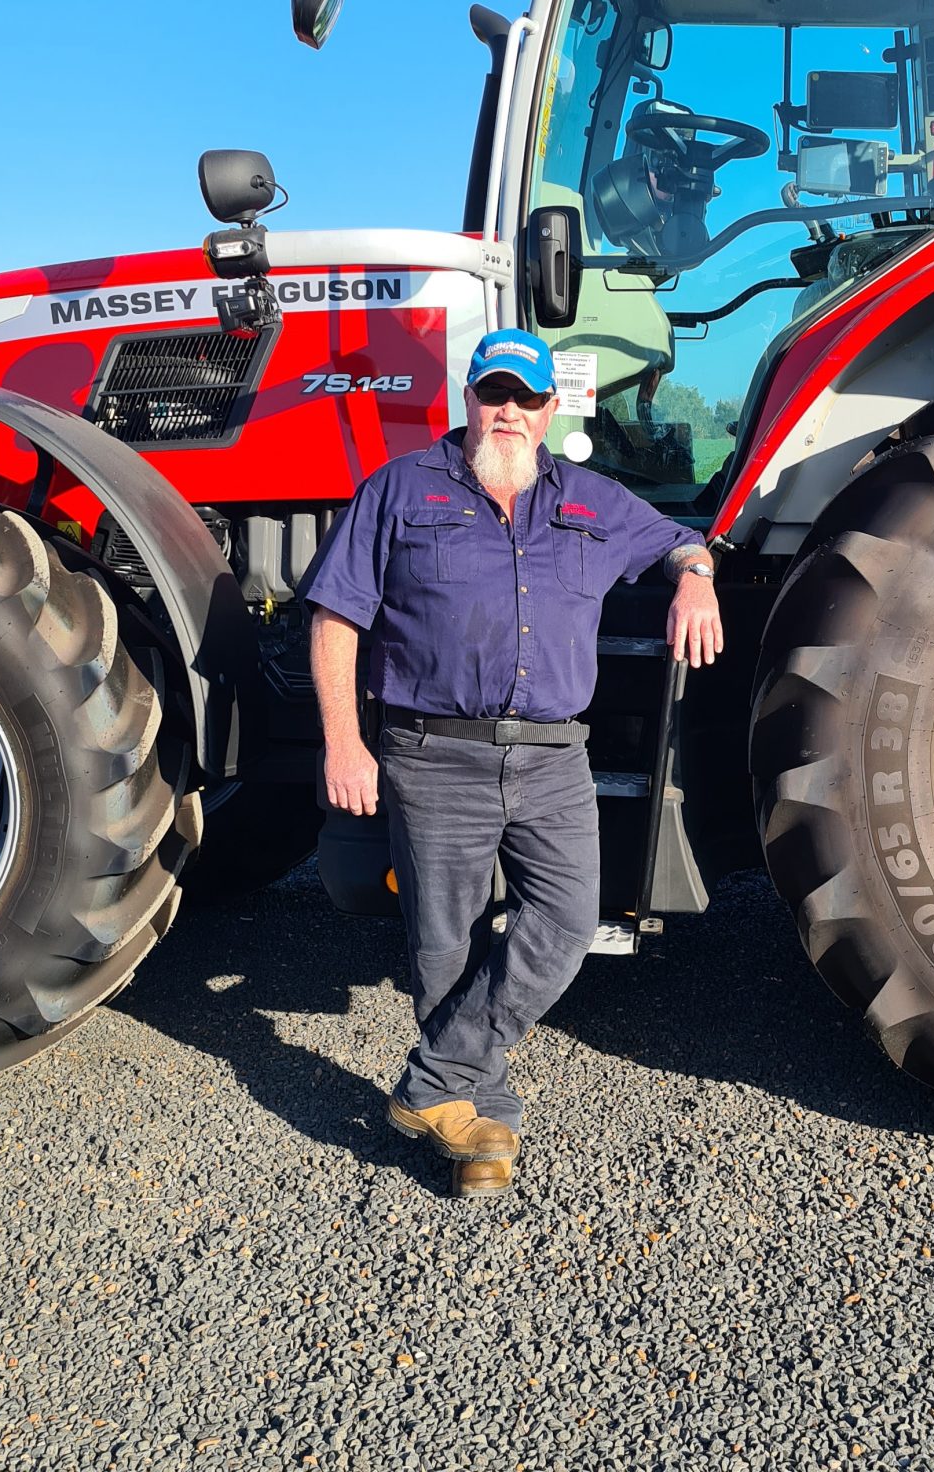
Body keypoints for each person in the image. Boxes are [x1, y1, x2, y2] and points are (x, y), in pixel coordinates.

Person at [306, 328, 722, 1197]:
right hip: (433, 753)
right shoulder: (400, 489)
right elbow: (335, 618)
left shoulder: (594, 500)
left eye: (526, 399)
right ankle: (476, 1124)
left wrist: (696, 576)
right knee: (441, 945)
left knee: (567, 922)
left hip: (553, 759)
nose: (508, 412)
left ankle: (431, 1080)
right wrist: (344, 744)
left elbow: (681, 538)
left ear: (549, 410)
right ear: (468, 399)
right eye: (494, 394)